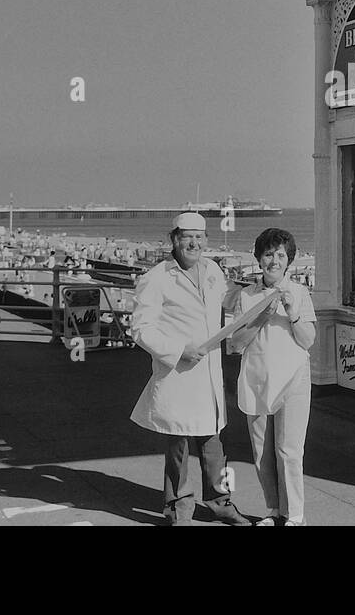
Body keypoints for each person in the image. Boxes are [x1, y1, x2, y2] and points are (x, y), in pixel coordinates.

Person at [128, 212, 249, 526]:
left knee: (216, 447)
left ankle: (222, 503)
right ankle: (179, 509)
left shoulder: (212, 269)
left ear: (206, 240)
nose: (194, 243)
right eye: (187, 237)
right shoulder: (156, 278)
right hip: (179, 374)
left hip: (209, 376)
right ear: (174, 239)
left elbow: (226, 301)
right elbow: (141, 329)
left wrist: (259, 290)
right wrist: (180, 351)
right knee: (178, 445)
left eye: (199, 237)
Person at [225, 227, 317, 526]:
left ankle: (296, 515)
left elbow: (308, 340)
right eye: (268, 255)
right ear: (259, 258)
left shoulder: (299, 292)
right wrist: (262, 317)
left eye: (280, 255)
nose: (274, 261)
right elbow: (235, 344)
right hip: (257, 379)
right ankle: (274, 511)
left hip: (293, 380)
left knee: (288, 451)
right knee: (262, 453)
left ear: (289, 259)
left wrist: (292, 312)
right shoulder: (246, 296)